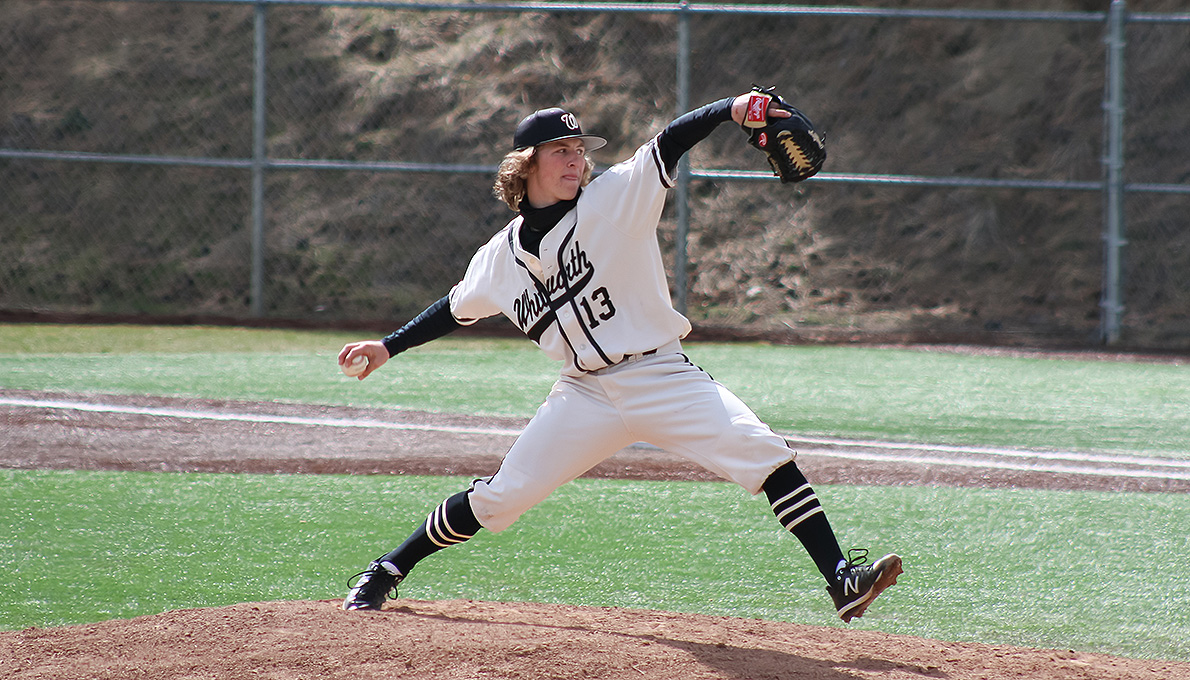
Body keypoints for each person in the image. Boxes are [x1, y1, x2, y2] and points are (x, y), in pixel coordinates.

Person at [337, 91, 902, 623]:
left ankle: (841, 579)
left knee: (760, 450)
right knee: (501, 498)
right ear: (526, 164)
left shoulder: (613, 201)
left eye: (580, 150)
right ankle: (386, 570)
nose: (576, 160)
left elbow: (668, 142)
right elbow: (455, 308)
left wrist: (733, 109)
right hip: (583, 393)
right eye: (561, 151)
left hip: (660, 372)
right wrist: (388, 346)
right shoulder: (499, 258)